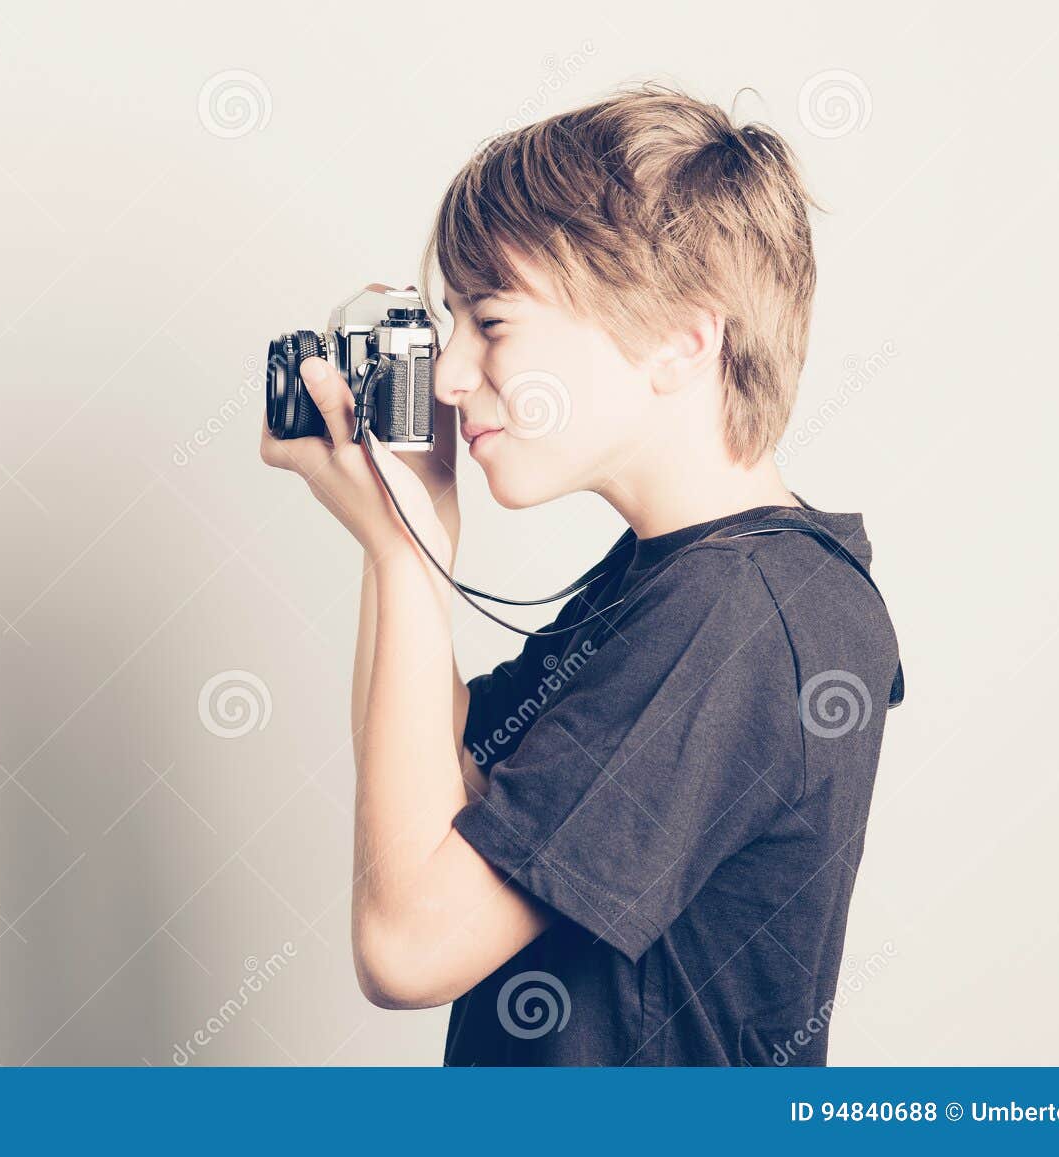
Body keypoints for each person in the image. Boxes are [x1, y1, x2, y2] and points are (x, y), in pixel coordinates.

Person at [258, 81, 901, 1066]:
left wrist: (399, 555)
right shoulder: (679, 576)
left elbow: (406, 946)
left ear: (680, 340)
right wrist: (412, 526)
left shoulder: (738, 610)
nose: (449, 376)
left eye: (491, 322)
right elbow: (447, 782)